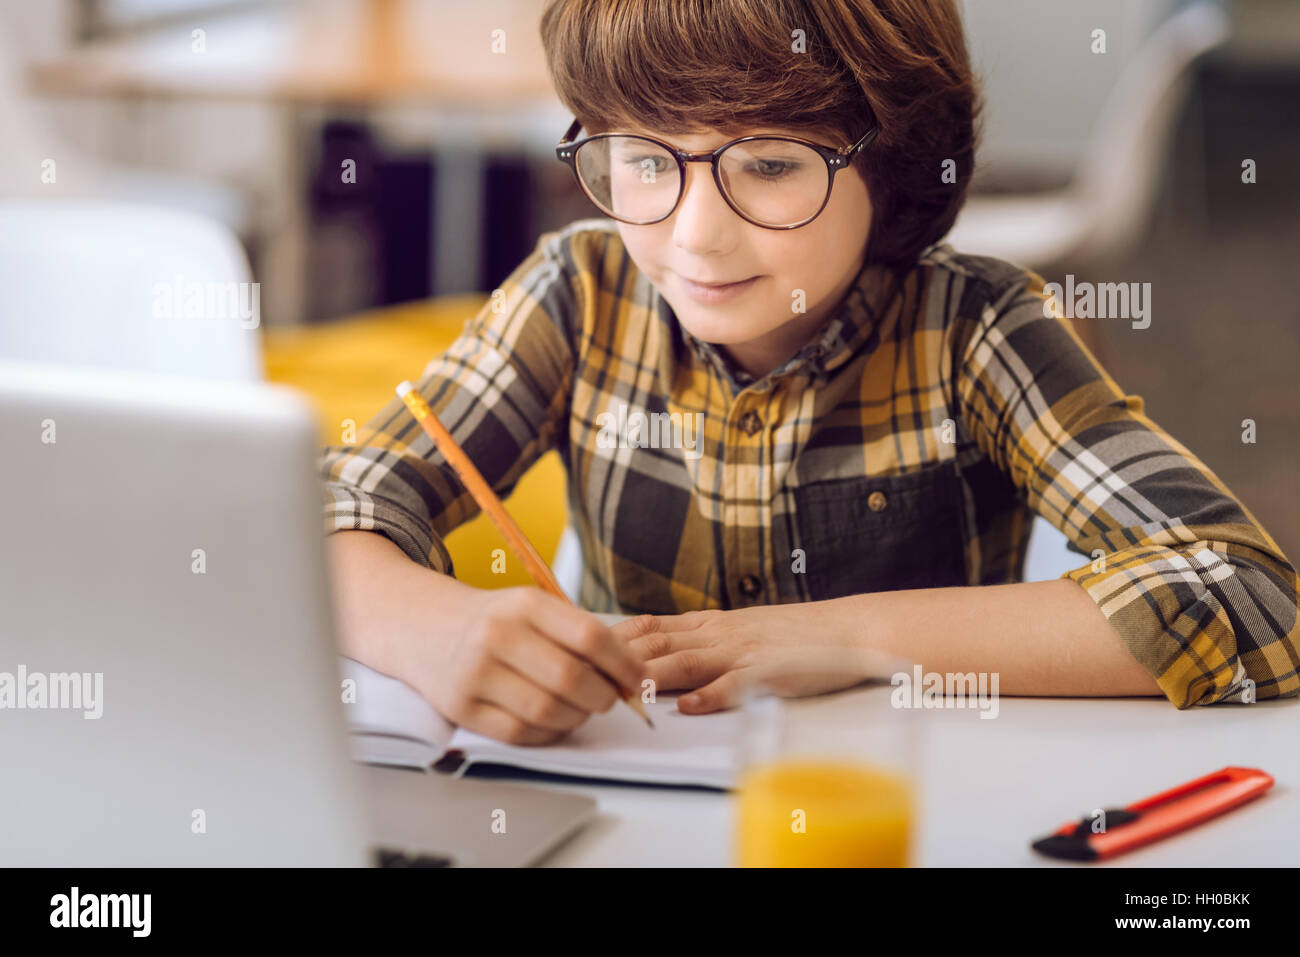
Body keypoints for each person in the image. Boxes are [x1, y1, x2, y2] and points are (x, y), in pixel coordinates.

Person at [320, 0, 1298, 745]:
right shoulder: (577, 294)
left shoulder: (972, 328)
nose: (695, 237)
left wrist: (838, 641)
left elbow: (1246, 595)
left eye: (773, 164)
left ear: (894, 162)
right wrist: (434, 632)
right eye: (646, 160)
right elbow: (320, 518)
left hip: (920, 814)